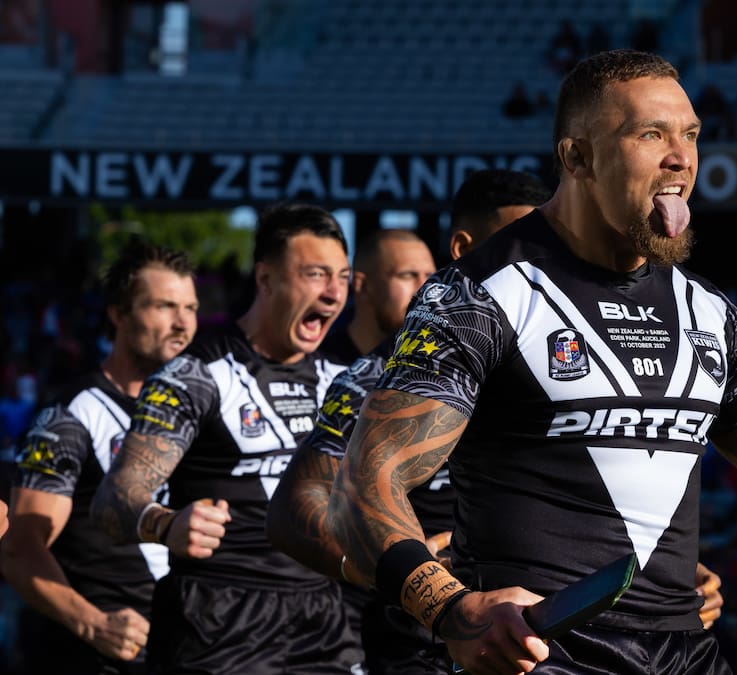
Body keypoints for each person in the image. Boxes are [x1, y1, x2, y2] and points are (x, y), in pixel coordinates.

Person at [328, 49, 737, 675]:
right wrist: (453, 609)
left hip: (687, 655)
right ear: (577, 158)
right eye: (651, 135)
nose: (681, 157)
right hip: (542, 653)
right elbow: (365, 481)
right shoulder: (481, 295)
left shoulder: (712, 314)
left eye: (691, 135)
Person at [269, 169, 552, 673]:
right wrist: (416, 578)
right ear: (465, 248)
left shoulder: (565, 366)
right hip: (425, 649)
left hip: (547, 639)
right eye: (520, 245)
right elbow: (294, 510)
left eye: (547, 247)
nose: (536, 265)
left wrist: (666, 582)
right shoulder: (380, 374)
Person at [90, 203, 362, 674]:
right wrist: (164, 523)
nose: (334, 292)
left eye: (342, 275)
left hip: (323, 619)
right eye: (316, 274)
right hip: (217, 620)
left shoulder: (344, 381)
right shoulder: (194, 376)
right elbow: (113, 500)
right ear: (265, 279)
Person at [1, 240, 197, 675]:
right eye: (165, 306)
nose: (182, 323)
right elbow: (20, 548)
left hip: (190, 650)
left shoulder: (201, 408)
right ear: (118, 314)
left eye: (191, 307)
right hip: (99, 658)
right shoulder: (71, 414)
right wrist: (93, 624)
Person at [320, 228, 438, 364]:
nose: (425, 289)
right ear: (362, 286)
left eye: (431, 277)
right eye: (407, 275)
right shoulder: (317, 373)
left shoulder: (443, 369)